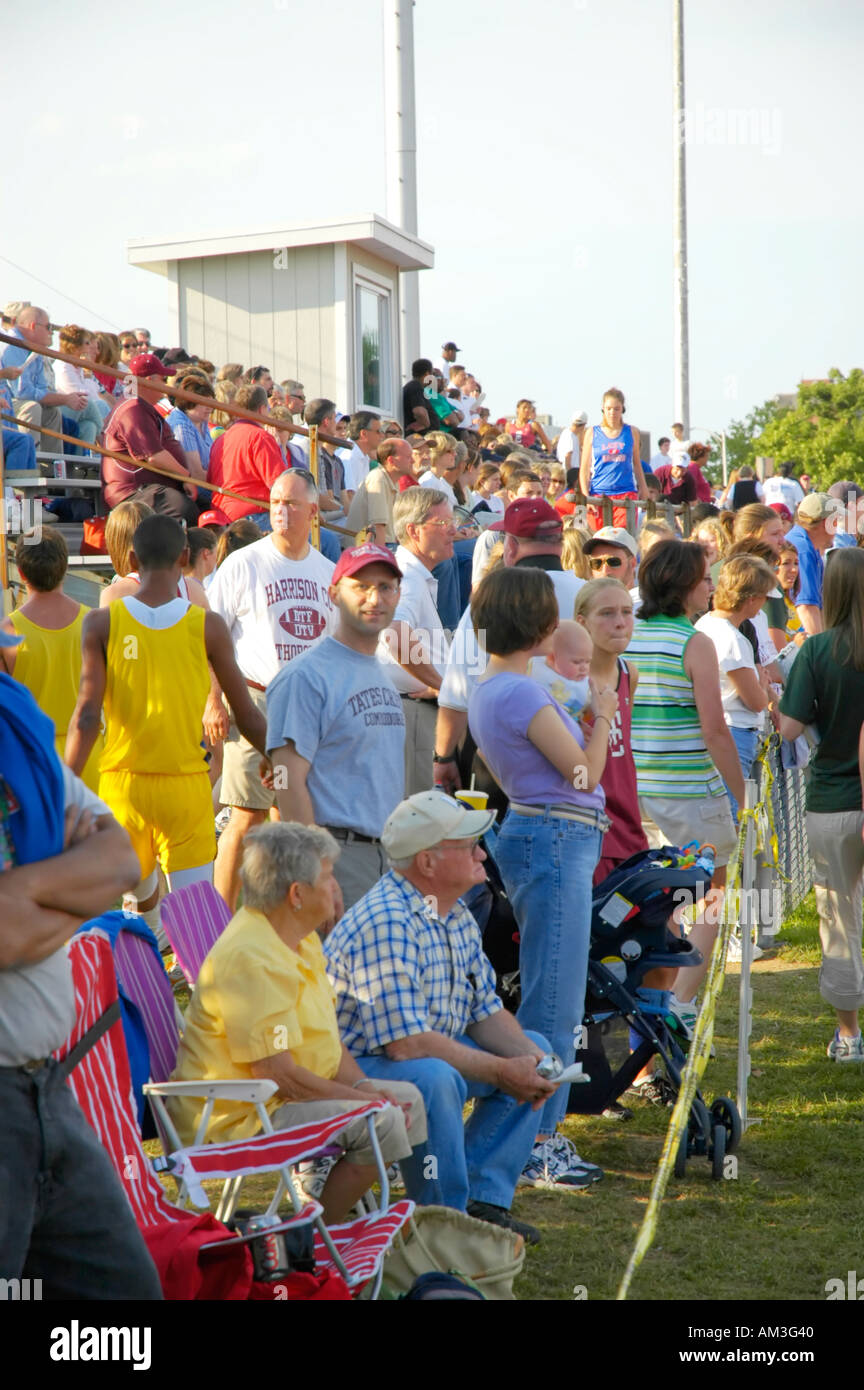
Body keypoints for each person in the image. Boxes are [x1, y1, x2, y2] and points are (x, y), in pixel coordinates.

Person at [0, 658, 163, 1298]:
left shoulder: (19, 746)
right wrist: (68, 892)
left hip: (47, 1088)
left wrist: (25, 890)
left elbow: (121, 858)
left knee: (125, 1305)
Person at [326, 790, 555, 1243]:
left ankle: (480, 1202)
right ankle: (441, 1220)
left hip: (412, 1056)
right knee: (434, 1079)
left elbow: (484, 1011)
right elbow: (406, 1045)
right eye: (468, 844)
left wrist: (534, 1062)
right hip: (350, 1072)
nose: (481, 852)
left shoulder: (453, 912)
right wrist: (503, 1071)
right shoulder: (389, 919)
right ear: (427, 863)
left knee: (539, 1052)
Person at [169, 823, 425, 1223]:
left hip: (274, 1101)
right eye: (327, 876)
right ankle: (320, 1236)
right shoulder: (253, 958)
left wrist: (363, 1087)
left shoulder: (297, 937)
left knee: (408, 1100)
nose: (335, 886)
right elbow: (277, 1075)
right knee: (385, 1121)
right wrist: (367, 1103)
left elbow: (327, 1040)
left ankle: (393, 1214)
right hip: (236, 1118)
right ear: (297, 894)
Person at [467, 566, 615, 1189]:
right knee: (553, 1001)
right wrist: (604, 715)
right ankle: (538, 1141)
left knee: (551, 992)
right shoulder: (521, 692)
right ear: (532, 622)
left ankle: (535, 1133)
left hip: (544, 833)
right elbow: (583, 774)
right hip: (556, 837)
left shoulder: (498, 686)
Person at [66, 516, 269, 933]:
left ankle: (144, 957)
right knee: (197, 927)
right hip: (185, 785)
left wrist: (65, 781)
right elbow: (246, 713)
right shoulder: (206, 625)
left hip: (124, 788)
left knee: (134, 918)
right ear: (185, 557)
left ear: (133, 559)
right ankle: (199, 986)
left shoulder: (102, 621)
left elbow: (87, 716)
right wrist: (282, 758)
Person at [206, 470, 335, 908]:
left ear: (313, 512)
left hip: (308, 707)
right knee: (246, 816)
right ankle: (216, 933)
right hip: (253, 702)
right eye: (276, 502)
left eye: (291, 503)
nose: (280, 510)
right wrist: (214, 701)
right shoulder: (244, 563)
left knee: (293, 821)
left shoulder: (328, 574)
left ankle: (276, 923)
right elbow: (212, 637)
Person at [627, 540, 743, 1029]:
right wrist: (744, 794)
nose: (712, 585)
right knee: (713, 894)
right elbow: (715, 730)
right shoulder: (695, 643)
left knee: (659, 901)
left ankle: (657, 1005)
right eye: (704, 577)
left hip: (636, 789)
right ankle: (682, 1003)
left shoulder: (627, 632)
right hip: (692, 791)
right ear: (682, 586)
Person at [267, 544, 406, 909]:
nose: (375, 597)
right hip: (336, 858)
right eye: (360, 586)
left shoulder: (382, 673)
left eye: (386, 586)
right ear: (333, 593)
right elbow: (287, 780)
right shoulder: (305, 677)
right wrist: (319, 872)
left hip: (385, 857)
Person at [434, 498, 584, 792]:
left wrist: (444, 757)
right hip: (578, 751)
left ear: (511, 547)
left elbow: (457, 691)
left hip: (498, 757)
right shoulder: (591, 596)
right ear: (561, 543)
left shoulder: (493, 599)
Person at [779, 549, 864, 1062]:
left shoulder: (817, 651)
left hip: (833, 800)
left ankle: (850, 1035)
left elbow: (788, 727)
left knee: (840, 917)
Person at [0, 530, 103, 791]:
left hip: (31, 758)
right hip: (89, 755)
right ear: (65, 567)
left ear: (21, 573)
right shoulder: (95, 623)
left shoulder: (7, 633)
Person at [376, 488, 453, 797]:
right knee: (415, 816)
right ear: (414, 530)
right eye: (444, 523)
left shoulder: (411, 575)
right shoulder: (407, 576)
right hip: (412, 710)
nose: (454, 531)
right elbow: (394, 633)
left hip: (414, 709)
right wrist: (442, 685)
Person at [574, 578, 648, 884]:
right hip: (590, 826)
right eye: (607, 614)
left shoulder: (629, 672)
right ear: (582, 622)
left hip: (629, 824)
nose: (620, 623)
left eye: (626, 612)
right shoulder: (570, 683)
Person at [694, 555, 776, 820]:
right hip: (735, 734)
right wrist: (762, 684)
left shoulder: (705, 624)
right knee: (735, 818)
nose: (764, 605)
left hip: (726, 731)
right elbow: (756, 701)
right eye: (764, 597)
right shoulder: (732, 639)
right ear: (751, 599)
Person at [102, 353, 199, 525]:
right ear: (148, 380)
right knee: (185, 511)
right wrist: (186, 477)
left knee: (204, 508)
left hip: (150, 487)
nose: (165, 385)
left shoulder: (139, 405)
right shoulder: (133, 408)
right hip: (132, 491)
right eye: (162, 379)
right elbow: (154, 456)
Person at [207, 383, 286, 526]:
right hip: (255, 515)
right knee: (327, 540)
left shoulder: (221, 439)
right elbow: (280, 485)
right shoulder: (261, 437)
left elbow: (210, 480)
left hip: (221, 516)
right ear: (262, 409)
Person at [579, 387, 648, 528]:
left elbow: (636, 464)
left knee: (619, 538)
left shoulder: (631, 432)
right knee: (598, 540)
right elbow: (585, 468)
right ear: (603, 409)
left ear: (622, 409)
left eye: (616, 409)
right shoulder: (592, 432)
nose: (612, 413)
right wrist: (586, 496)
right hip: (598, 492)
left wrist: (644, 487)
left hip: (625, 492)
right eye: (609, 408)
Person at [344, 437, 416, 545]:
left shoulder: (392, 480)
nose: (413, 460)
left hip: (385, 543)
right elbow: (378, 528)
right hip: (368, 548)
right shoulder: (378, 479)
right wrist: (383, 559)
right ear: (391, 460)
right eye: (408, 457)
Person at [785, 493, 836, 635]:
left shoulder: (809, 547)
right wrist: (821, 654)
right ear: (825, 523)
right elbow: (806, 608)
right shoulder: (802, 549)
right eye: (836, 522)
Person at [336, 410, 384, 498]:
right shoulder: (349, 456)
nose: (382, 436)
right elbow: (350, 496)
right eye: (378, 431)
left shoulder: (363, 456)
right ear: (363, 434)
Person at [402, 358, 433, 434]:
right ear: (427, 374)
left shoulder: (413, 386)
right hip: (422, 438)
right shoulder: (416, 386)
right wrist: (427, 425)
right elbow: (419, 411)